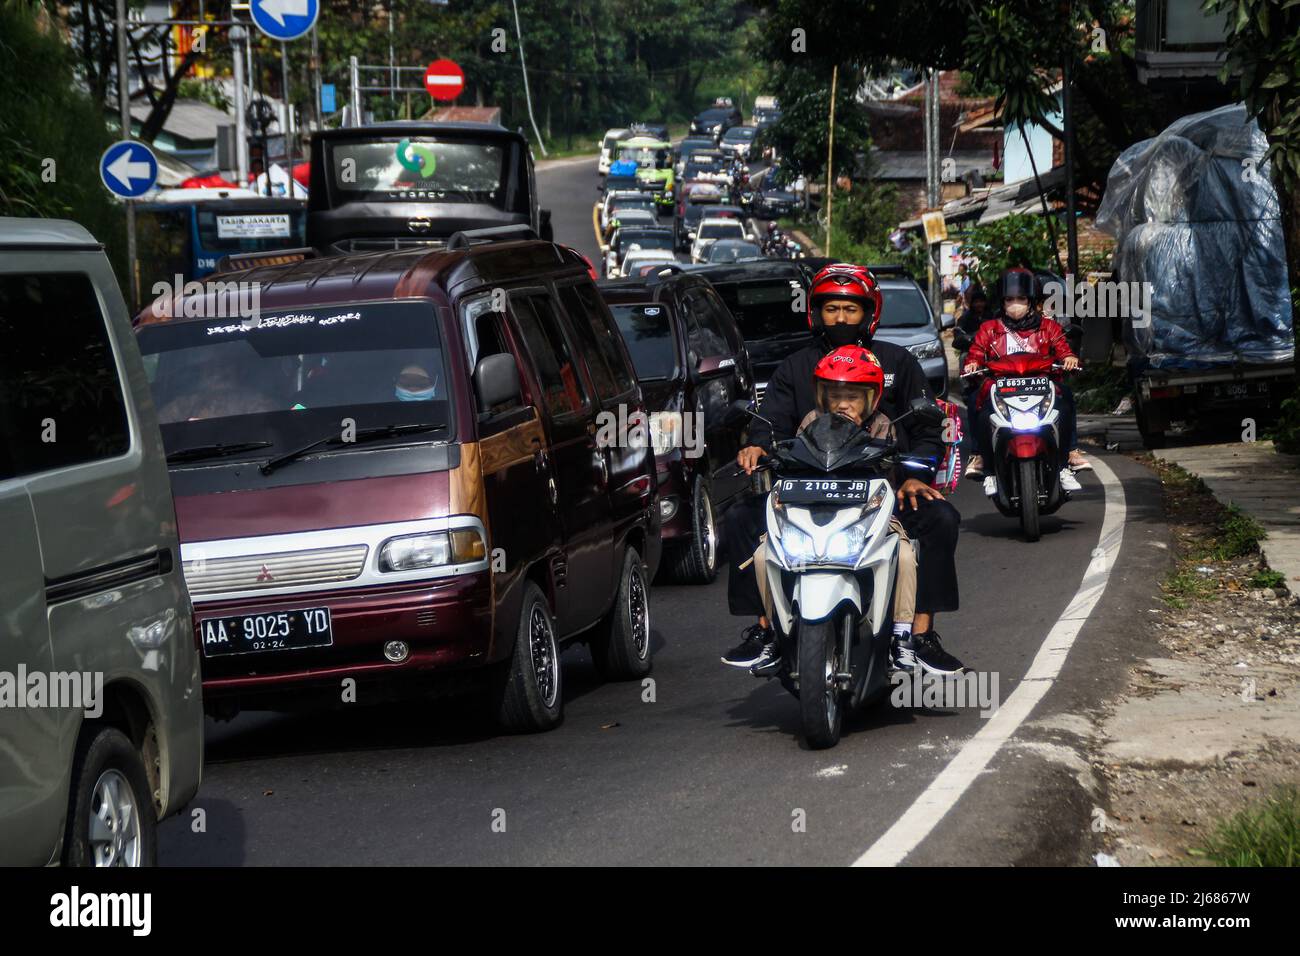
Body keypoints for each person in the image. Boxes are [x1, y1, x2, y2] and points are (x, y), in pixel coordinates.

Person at [721, 265, 964, 676]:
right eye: (831, 308)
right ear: (815, 312)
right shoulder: (795, 367)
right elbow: (771, 421)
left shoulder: (899, 363)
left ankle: (918, 635)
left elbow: (928, 430)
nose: (840, 318)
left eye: (850, 309)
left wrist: (915, 475)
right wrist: (758, 444)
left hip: (880, 492)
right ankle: (765, 629)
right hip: (804, 489)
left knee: (941, 518)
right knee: (741, 516)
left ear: (869, 312)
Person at [732, 346, 920, 669]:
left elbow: (891, 468)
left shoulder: (883, 427)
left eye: (854, 396)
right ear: (822, 397)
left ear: (872, 399)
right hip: (812, 511)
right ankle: (772, 634)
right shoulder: (809, 422)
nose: (843, 404)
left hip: (867, 514)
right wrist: (775, 455)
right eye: (835, 396)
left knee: (903, 554)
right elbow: (795, 458)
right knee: (765, 555)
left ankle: (902, 637)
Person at [962, 267, 1081, 494]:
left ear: (1031, 301)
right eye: (1009, 299)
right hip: (1000, 390)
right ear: (1002, 302)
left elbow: (1064, 350)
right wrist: (973, 363)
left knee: (1065, 402)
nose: (1015, 304)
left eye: (1021, 299)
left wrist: (1069, 358)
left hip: (1043, 388)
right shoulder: (990, 329)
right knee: (976, 403)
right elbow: (976, 352)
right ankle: (984, 465)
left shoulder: (1049, 327)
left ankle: (1067, 461)